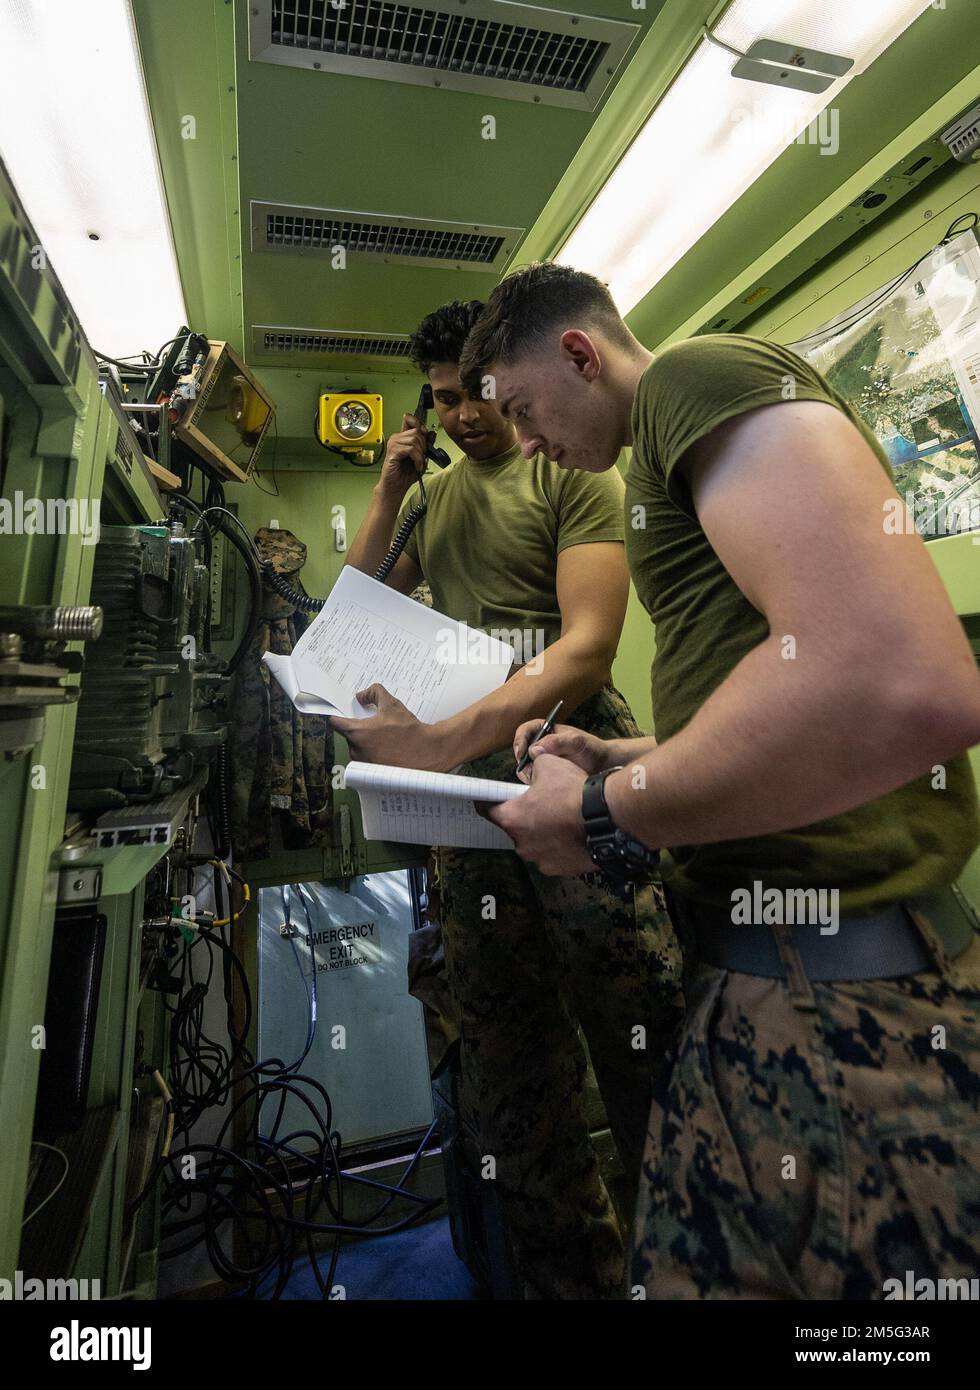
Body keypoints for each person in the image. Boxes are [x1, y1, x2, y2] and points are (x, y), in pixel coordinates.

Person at [459, 261, 980, 1300]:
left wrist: (602, 812)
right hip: (759, 987)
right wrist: (632, 757)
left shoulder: (692, 378)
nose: (523, 444)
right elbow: (794, 721)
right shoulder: (660, 460)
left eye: (519, 409)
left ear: (578, 353)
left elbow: (892, 678)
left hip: (838, 1002)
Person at [332, 299, 683, 1299]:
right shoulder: (431, 499)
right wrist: (388, 488)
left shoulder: (568, 467)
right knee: (502, 1046)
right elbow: (349, 620)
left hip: (564, 750)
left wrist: (450, 732)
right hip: (462, 790)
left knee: (634, 1017)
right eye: (441, 400)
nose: (460, 416)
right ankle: (560, 1277)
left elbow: (585, 645)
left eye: (476, 394)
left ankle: (675, 1263)